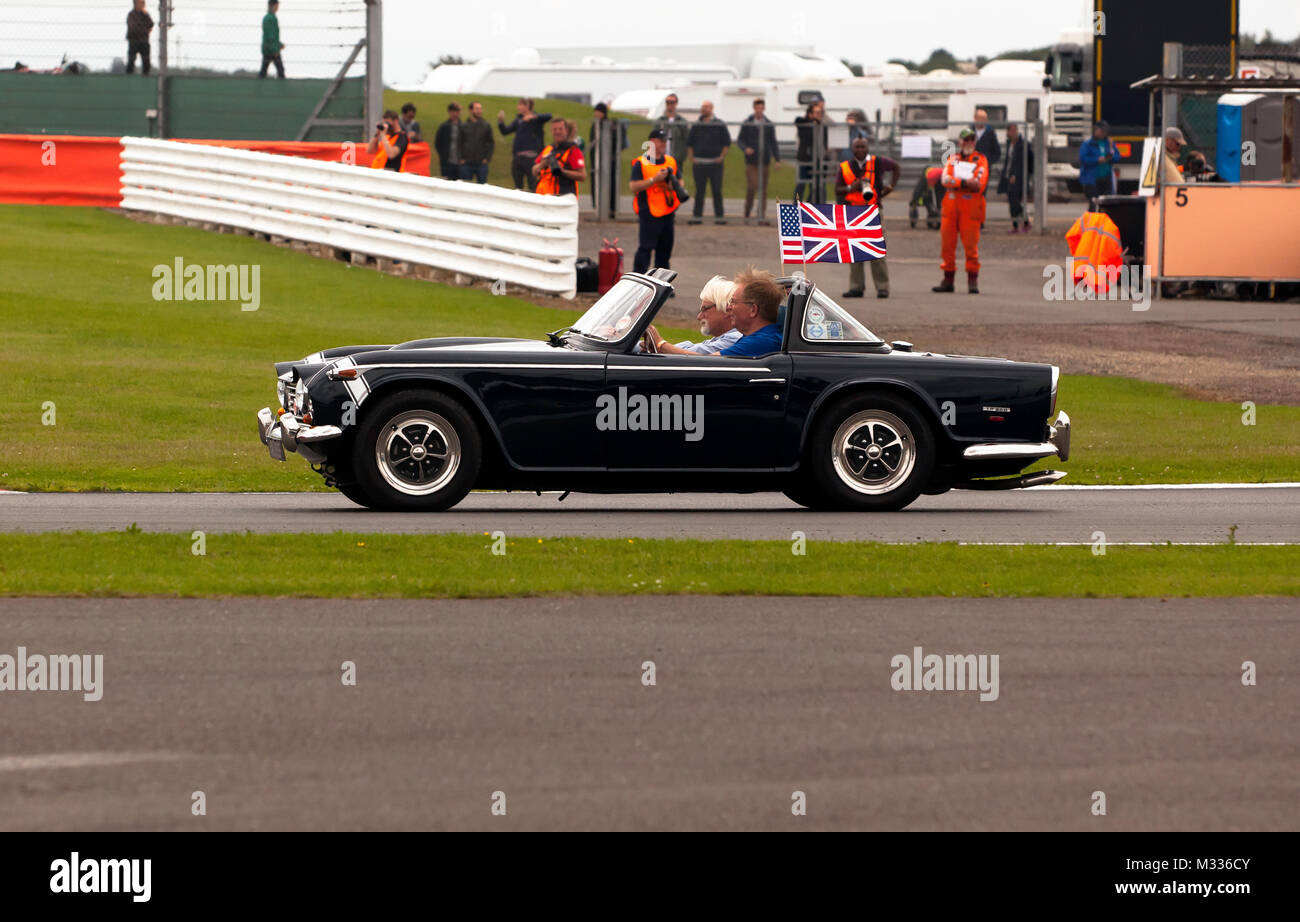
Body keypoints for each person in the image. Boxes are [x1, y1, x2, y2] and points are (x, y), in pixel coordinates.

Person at [644, 268, 783, 358]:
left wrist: (661, 344)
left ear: (753, 309)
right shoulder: (761, 337)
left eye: (734, 302)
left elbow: (708, 363)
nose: (729, 308)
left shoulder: (761, 341)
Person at [836, 136, 899, 299]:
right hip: (853, 212)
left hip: (873, 211)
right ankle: (856, 287)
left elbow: (896, 167)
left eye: (863, 147)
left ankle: (882, 287)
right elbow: (838, 189)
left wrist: (890, 187)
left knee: (877, 250)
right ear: (852, 149)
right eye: (857, 147)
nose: (860, 150)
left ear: (868, 147)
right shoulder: (845, 167)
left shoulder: (877, 162)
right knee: (855, 251)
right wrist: (852, 187)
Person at [933, 128, 989, 294]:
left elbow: (979, 182)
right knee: (947, 246)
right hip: (950, 208)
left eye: (972, 139)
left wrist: (957, 182)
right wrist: (964, 183)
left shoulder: (980, 160)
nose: (969, 142)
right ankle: (948, 280)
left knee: (971, 246)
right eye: (966, 139)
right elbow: (945, 179)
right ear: (960, 142)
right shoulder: (953, 158)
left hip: (970, 208)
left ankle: (973, 281)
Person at [637, 276, 741, 354]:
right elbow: (689, 349)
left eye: (705, 309)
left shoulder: (735, 338)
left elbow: (696, 357)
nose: (699, 317)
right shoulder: (722, 339)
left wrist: (659, 344)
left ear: (727, 311)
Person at [628, 127, 682, 273]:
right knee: (645, 250)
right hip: (649, 213)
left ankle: (661, 285)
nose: (664, 143)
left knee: (664, 253)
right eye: (661, 141)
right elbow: (633, 186)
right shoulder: (641, 162)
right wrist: (654, 179)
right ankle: (638, 283)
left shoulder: (670, 161)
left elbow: (680, 182)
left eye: (665, 141)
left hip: (668, 212)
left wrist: (673, 185)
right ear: (652, 142)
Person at [737, 98, 782, 225]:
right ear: (754, 108)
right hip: (752, 161)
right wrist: (745, 148)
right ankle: (747, 212)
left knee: (763, 189)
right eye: (757, 107)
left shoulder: (768, 124)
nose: (759, 110)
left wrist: (777, 159)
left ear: (764, 109)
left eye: (761, 107)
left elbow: (773, 142)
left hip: (765, 161)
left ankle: (761, 215)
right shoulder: (747, 123)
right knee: (752, 186)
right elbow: (740, 140)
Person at [686, 100, 731, 225]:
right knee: (699, 191)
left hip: (715, 164)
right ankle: (697, 216)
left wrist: (721, 157)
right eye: (703, 107)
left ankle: (719, 217)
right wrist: (692, 158)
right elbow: (689, 143)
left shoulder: (719, 124)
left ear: (712, 108)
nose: (704, 109)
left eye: (706, 107)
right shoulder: (696, 125)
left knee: (717, 190)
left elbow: (726, 143)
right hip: (699, 164)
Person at [497, 98, 552, 191]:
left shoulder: (536, 119)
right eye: (518, 105)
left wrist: (534, 116)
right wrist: (500, 122)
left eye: (521, 105)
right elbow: (505, 131)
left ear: (527, 106)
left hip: (532, 158)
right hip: (518, 157)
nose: (518, 107)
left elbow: (549, 116)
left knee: (533, 184)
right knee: (518, 186)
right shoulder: (518, 120)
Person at [588, 102, 627, 213]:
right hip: (597, 161)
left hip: (610, 161)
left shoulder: (611, 125)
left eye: (598, 111)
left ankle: (611, 208)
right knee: (596, 184)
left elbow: (616, 143)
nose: (596, 114)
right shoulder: (595, 125)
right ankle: (598, 206)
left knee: (611, 184)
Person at [997, 122, 1034, 233]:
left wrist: (1018, 174)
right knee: (1012, 201)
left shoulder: (1023, 145)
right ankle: (1019, 223)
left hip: (1018, 177)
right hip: (1008, 175)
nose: (1013, 133)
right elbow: (1009, 160)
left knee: (1015, 200)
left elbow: (1027, 160)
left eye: (1015, 130)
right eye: (1011, 131)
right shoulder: (1009, 144)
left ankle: (1023, 222)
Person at [533, 119, 585, 196]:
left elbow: (582, 176)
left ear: (566, 130)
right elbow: (534, 171)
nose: (557, 132)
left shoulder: (572, 150)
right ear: (551, 131)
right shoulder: (548, 149)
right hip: (542, 198)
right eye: (555, 129)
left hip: (562, 199)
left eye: (560, 129)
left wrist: (562, 171)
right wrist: (542, 164)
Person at [794, 99, 831, 202]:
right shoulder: (804, 124)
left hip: (818, 161)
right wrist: (812, 122)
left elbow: (826, 142)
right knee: (801, 184)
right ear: (810, 114)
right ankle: (795, 207)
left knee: (817, 186)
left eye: (821, 112)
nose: (820, 114)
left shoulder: (822, 126)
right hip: (805, 160)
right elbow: (797, 120)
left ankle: (813, 207)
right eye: (817, 112)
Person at [1079, 121, 1119, 201]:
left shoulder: (1109, 143)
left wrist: (1110, 158)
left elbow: (1117, 156)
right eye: (1101, 131)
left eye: (1105, 131)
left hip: (1106, 179)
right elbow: (1083, 159)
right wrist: (1097, 160)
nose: (1103, 133)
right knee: (1094, 204)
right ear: (1095, 130)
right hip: (1092, 180)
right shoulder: (1088, 144)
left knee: (1107, 203)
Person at [459, 101, 493, 183]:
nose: (479, 111)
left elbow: (490, 143)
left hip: (481, 163)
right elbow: (459, 142)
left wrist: (487, 158)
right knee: (465, 186)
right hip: (466, 163)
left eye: (480, 109)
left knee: (482, 187)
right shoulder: (464, 126)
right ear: (471, 110)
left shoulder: (486, 125)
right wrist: (461, 158)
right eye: (477, 109)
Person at [655, 93, 690, 165]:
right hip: (661, 158)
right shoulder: (660, 121)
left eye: (672, 102)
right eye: (667, 102)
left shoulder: (682, 121)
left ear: (676, 103)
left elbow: (687, 139)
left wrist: (682, 156)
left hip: (676, 159)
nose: (669, 104)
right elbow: (654, 139)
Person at [433, 103, 463, 180]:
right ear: (449, 112)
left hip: (460, 162)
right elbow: (437, 143)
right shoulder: (444, 126)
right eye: (453, 111)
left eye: (457, 111)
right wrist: (443, 155)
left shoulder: (463, 126)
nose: (455, 114)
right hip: (446, 162)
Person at [125, 0, 153, 76]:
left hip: (144, 40)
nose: (142, 4)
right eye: (140, 2)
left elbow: (150, 24)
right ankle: (129, 75)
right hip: (134, 40)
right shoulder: (131, 14)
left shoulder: (145, 14)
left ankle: (145, 74)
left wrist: (145, 14)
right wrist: (144, 29)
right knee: (131, 59)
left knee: (146, 60)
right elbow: (133, 28)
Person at [258, 0, 285, 79]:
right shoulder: (271, 18)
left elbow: (270, 35)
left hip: (267, 48)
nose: (278, 7)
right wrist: (275, 49)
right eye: (277, 5)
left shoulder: (268, 17)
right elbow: (271, 35)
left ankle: (258, 89)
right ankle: (282, 89)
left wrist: (279, 44)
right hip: (271, 49)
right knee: (280, 71)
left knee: (263, 71)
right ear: (273, 5)